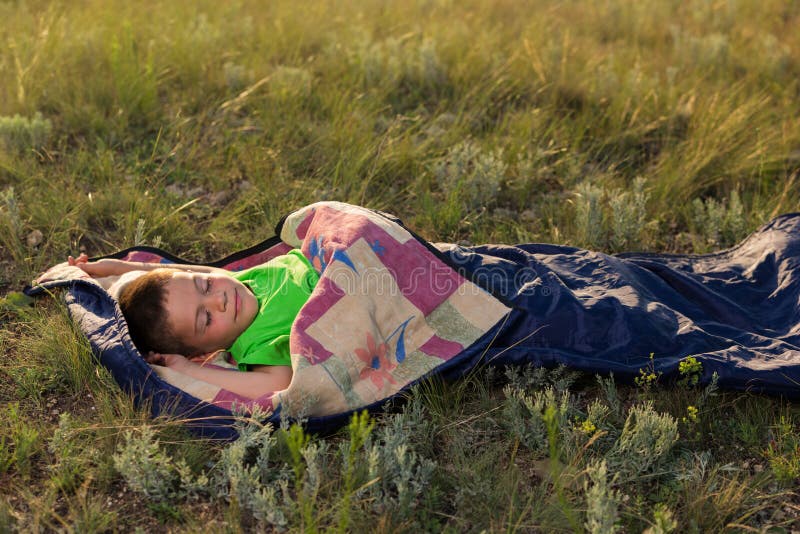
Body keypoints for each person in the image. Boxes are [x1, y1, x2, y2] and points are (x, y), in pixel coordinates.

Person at [60, 251, 319, 399]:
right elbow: (277, 385)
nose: (220, 299)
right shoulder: (256, 342)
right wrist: (186, 369)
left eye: (205, 285)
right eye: (205, 318)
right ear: (206, 353)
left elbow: (196, 272)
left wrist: (120, 267)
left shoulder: (239, 280)